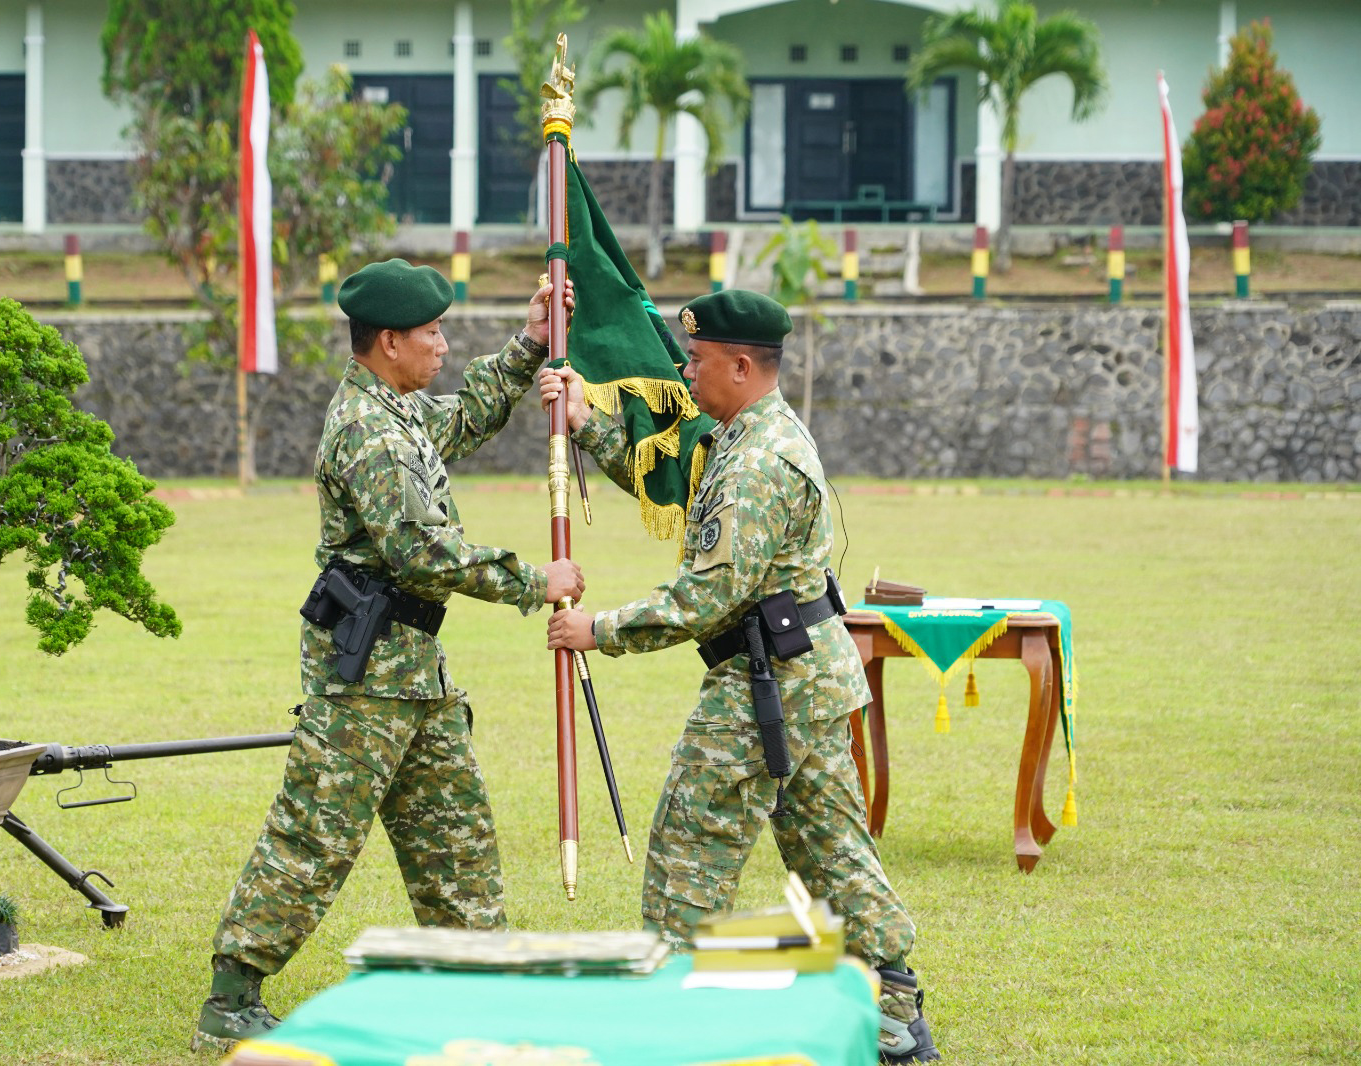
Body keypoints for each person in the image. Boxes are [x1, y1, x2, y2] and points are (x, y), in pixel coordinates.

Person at [194, 259, 583, 1053]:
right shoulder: (369, 428)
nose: (444, 345)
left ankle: (479, 987)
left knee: (455, 833)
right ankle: (232, 995)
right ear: (390, 341)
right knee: (315, 835)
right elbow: (421, 554)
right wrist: (534, 581)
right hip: (367, 677)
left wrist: (531, 343)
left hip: (419, 674)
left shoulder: (398, 410)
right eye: (433, 333)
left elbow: (464, 418)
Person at [540, 289, 939, 1063]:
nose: (685, 374)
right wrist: (589, 424)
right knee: (830, 848)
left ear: (742, 365)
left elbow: (708, 594)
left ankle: (669, 1016)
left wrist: (599, 630)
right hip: (806, 676)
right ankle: (894, 1010)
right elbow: (687, 494)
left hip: (765, 685)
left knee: (688, 843)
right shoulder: (750, 435)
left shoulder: (757, 458)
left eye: (695, 360)